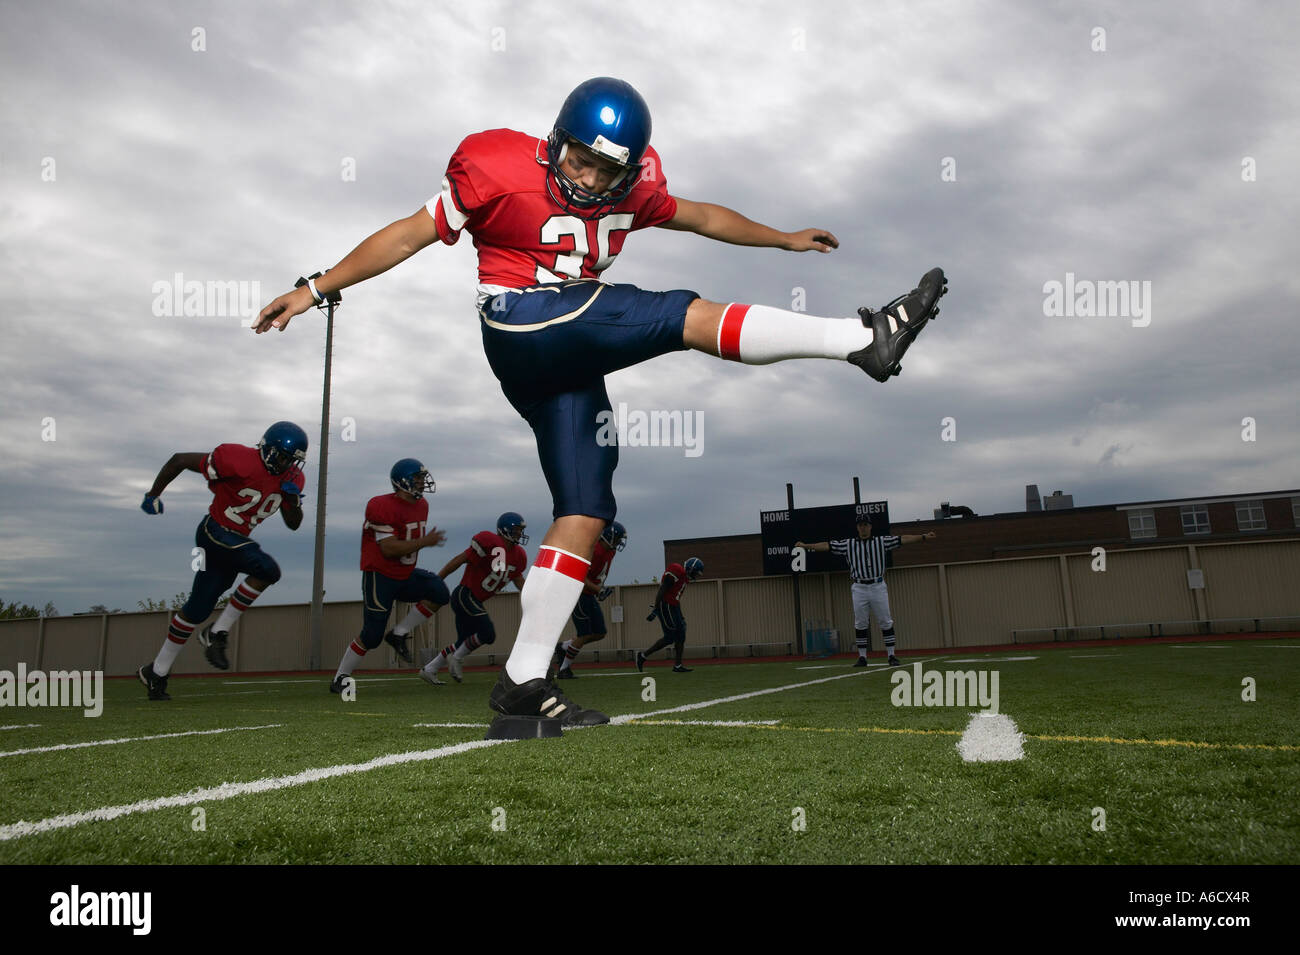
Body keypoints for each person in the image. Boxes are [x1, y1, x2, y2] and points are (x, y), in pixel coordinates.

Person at [253, 76, 948, 728]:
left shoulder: (635, 191)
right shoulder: (495, 163)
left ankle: (522, 681)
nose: (587, 181)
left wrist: (783, 237)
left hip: (568, 354)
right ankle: (863, 338)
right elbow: (410, 231)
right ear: (557, 140)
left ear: (629, 171)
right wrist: (317, 287)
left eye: (604, 172)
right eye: (579, 161)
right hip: (519, 320)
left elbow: (702, 216)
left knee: (586, 510)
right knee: (678, 312)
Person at [137, 421, 307, 700]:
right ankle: (217, 634)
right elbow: (179, 459)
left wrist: (292, 501)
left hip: (233, 546)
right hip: (214, 531)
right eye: (281, 456)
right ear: (266, 449)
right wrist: (153, 494)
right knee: (268, 569)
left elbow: (294, 524)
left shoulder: (293, 479)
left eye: (292, 460)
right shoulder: (237, 458)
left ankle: (156, 672)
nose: (286, 463)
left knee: (196, 610)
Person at [331, 459, 450, 694]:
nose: (422, 483)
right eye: (417, 478)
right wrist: (425, 542)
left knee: (439, 592)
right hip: (380, 575)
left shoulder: (422, 505)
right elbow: (389, 549)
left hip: (404, 574)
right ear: (402, 481)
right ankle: (341, 677)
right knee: (372, 636)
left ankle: (398, 633)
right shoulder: (380, 505)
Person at [797, 521, 937, 666]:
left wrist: (923, 537)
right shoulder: (849, 544)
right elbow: (827, 545)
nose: (863, 528)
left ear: (870, 526)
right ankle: (862, 657)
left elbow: (902, 539)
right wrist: (807, 546)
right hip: (859, 586)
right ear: (857, 527)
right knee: (860, 622)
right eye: (860, 525)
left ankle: (891, 655)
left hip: (877, 585)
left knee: (885, 620)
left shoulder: (881, 541)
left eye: (865, 525)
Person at [417, 513, 528, 685]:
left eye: (521, 531)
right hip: (464, 595)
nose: (519, 534)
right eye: (516, 530)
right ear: (504, 529)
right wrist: (437, 581)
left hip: (474, 600)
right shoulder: (489, 541)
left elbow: (519, 580)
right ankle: (458, 658)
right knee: (487, 633)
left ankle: (429, 669)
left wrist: (535, 599)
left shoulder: (518, 555)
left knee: (463, 642)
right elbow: (459, 560)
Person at [550, 520, 625, 679]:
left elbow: (598, 574)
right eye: (617, 538)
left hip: (588, 593)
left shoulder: (609, 551)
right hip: (576, 592)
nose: (619, 542)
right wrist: (599, 589)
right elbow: (579, 575)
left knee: (599, 633)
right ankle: (564, 670)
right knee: (584, 633)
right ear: (608, 537)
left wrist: (598, 589)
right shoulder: (592, 550)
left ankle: (564, 646)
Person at [637, 556, 703, 673]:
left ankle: (677, 665)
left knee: (681, 633)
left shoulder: (684, 577)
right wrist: (656, 608)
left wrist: (680, 614)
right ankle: (642, 656)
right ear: (690, 568)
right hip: (665, 605)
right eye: (695, 573)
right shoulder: (677, 570)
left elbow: (676, 598)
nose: (695, 576)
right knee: (670, 637)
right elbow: (662, 589)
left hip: (673, 606)